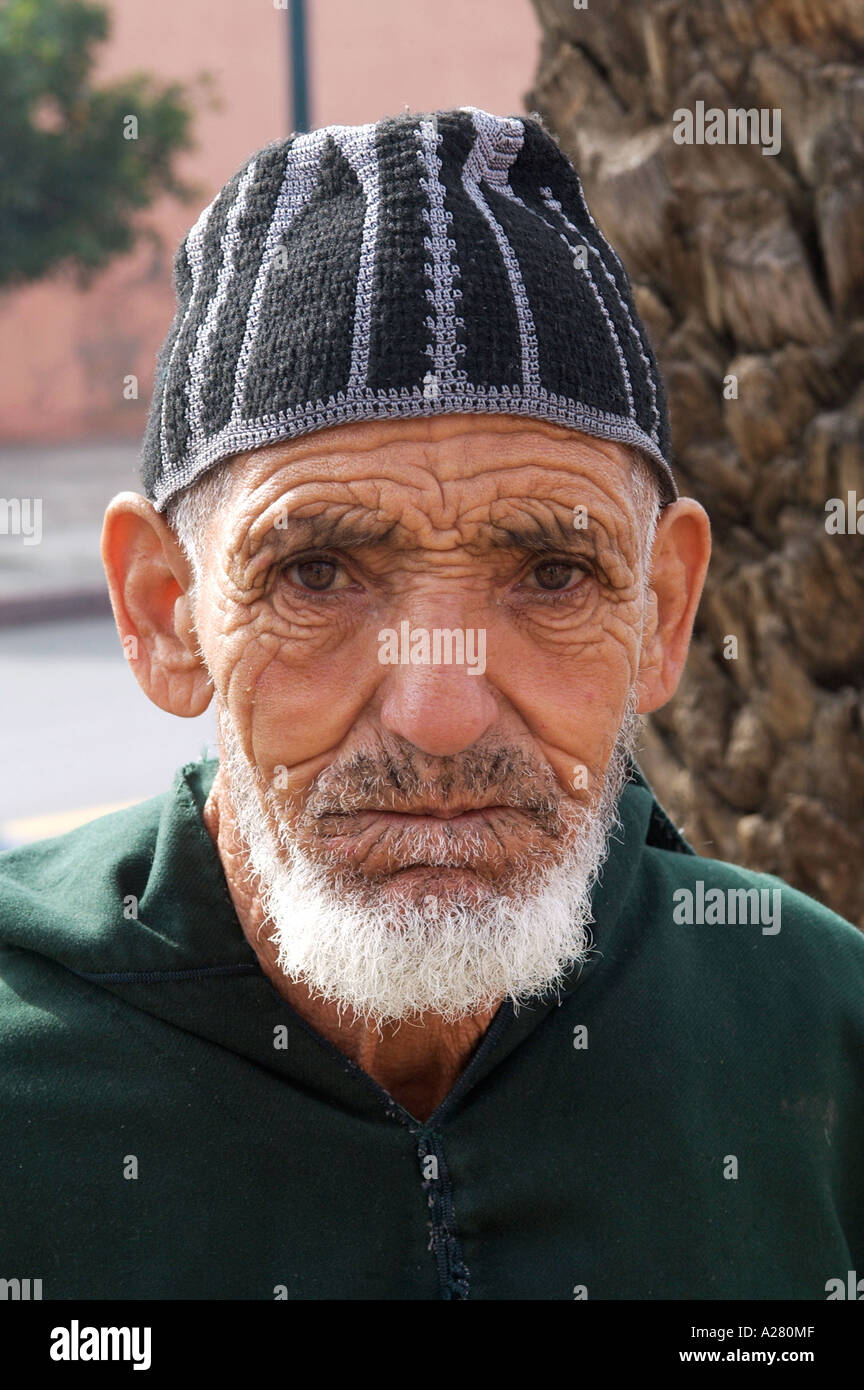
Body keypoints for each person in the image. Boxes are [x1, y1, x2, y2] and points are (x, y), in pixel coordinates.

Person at [1, 107, 861, 1301]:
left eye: (553, 574)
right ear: (165, 614)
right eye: (316, 572)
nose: (441, 712)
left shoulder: (819, 1027)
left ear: (662, 614)